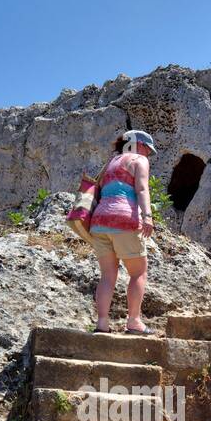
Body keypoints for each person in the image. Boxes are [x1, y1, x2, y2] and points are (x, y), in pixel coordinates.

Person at [88, 129, 157, 335]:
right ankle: (134, 321)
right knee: (138, 272)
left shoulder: (110, 163)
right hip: (124, 220)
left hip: (99, 222)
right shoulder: (138, 160)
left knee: (107, 276)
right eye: (146, 147)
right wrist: (147, 216)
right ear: (137, 144)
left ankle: (102, 323)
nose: (148, 153)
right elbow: (142, 189)